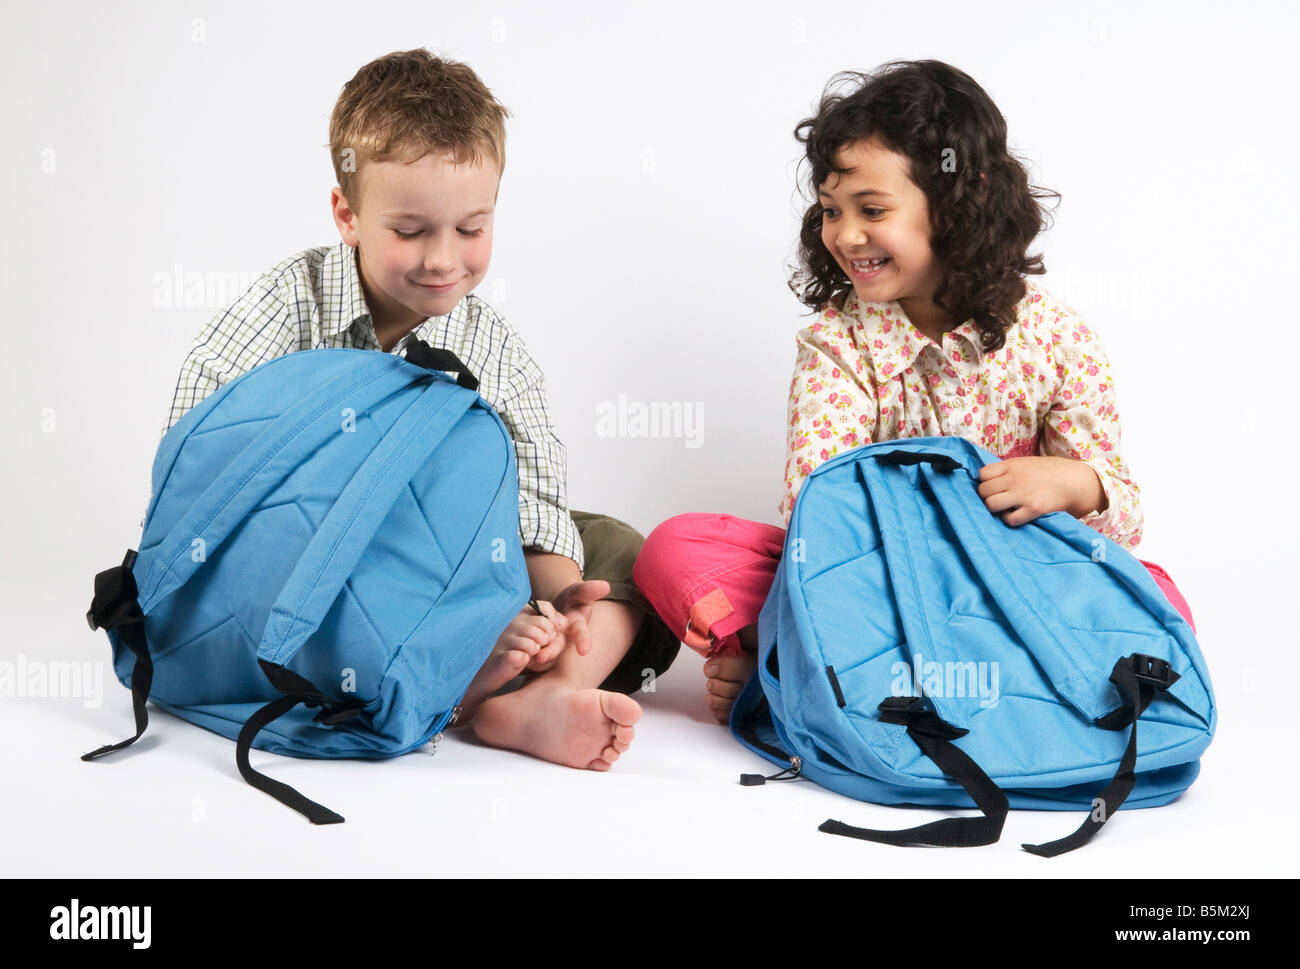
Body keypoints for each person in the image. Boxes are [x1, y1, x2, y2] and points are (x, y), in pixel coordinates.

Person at [633, 60, 1196, 725]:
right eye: (831, 211)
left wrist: (1073, 484)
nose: (844, 235)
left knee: (1163, 600)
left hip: (1015, 588)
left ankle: (799, 658)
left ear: (961, 202)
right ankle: (831, 653)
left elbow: (1122, 519)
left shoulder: (1059, 340)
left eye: (872, 210)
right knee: (674, 549)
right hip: (876, 584)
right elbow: (815, 507)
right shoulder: (838, 342)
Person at [162, 48, 678, 769]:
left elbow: (530, 490)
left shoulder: (493, 345)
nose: (443, 259)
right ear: (347, 214)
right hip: (305, 553)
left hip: (441, 555)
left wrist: (562, 599)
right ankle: (460, 680)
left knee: (625, 550)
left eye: (471, 229)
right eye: (410, 231)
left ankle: (543, 688)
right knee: (390, 581)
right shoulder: (288, 303)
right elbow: (197, 449)